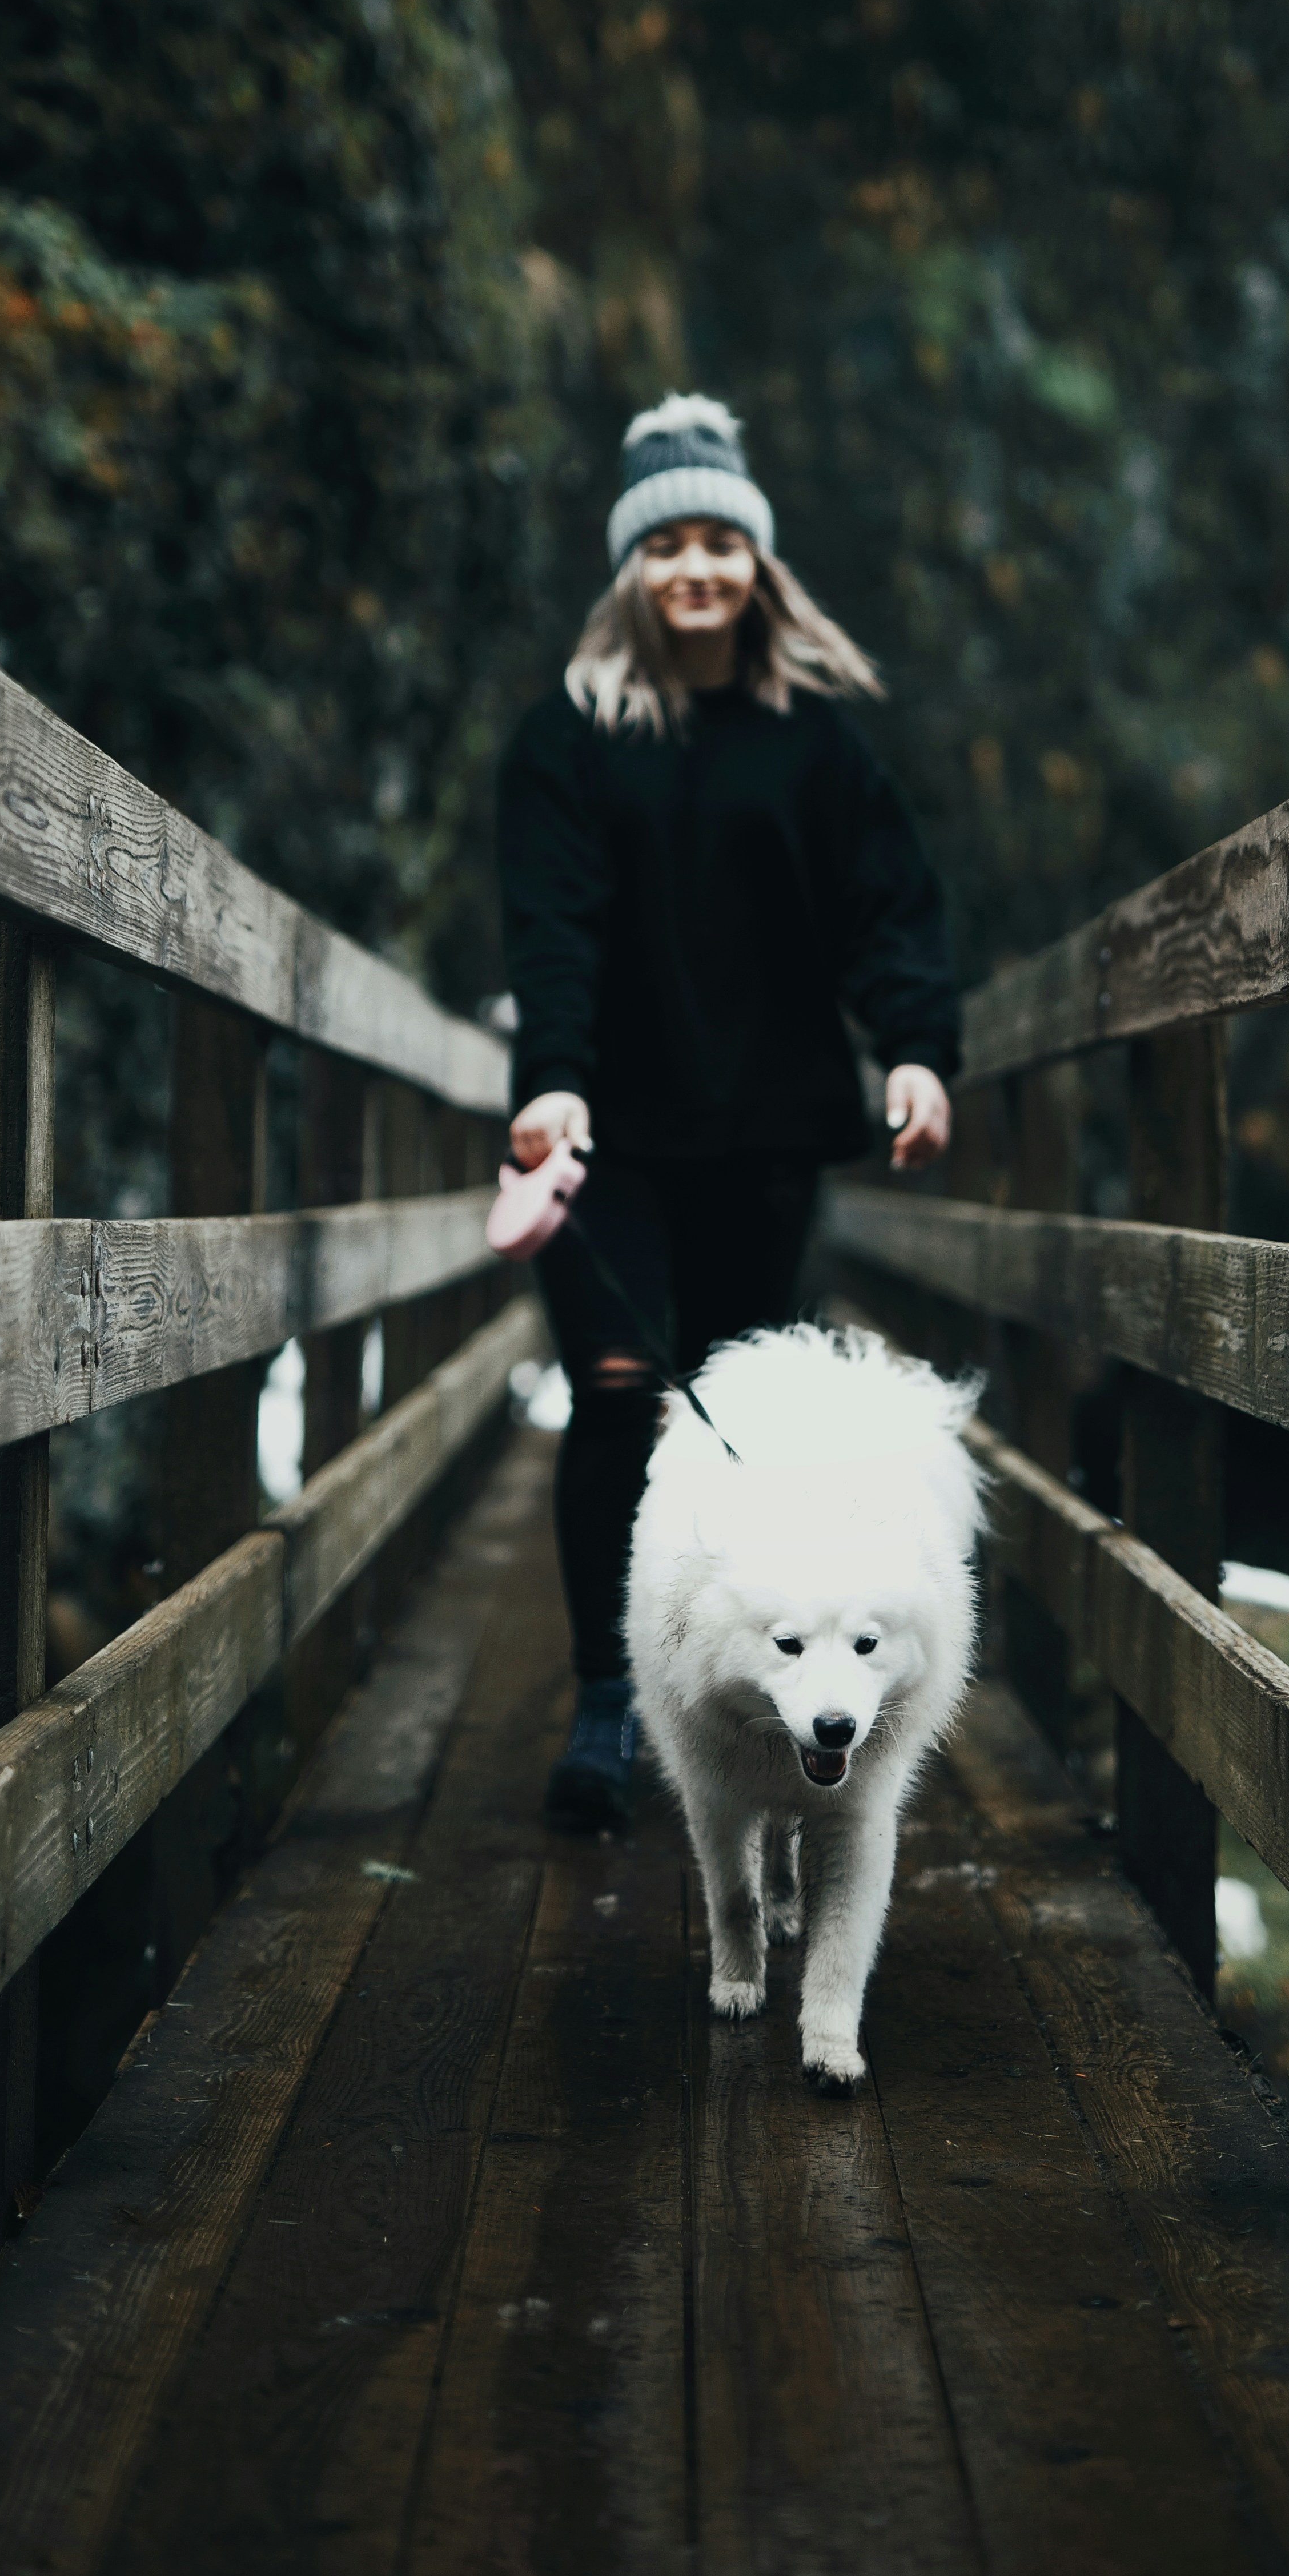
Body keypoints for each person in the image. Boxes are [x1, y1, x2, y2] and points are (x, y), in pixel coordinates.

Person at [498, 392, 960, 1826]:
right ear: (630, 568)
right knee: (621, 1397)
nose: (694, 569)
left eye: (718, 541)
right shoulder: (566, 739)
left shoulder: (816, 745)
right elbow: (549, 927)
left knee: (724, 1422)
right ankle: (602, 1701)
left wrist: (913, 1045)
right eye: (666, 545)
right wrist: (554, 1080)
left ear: (755, 561)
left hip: (763, 1133)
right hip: (612, 1136)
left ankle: (722, 1693)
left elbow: (890, 909)